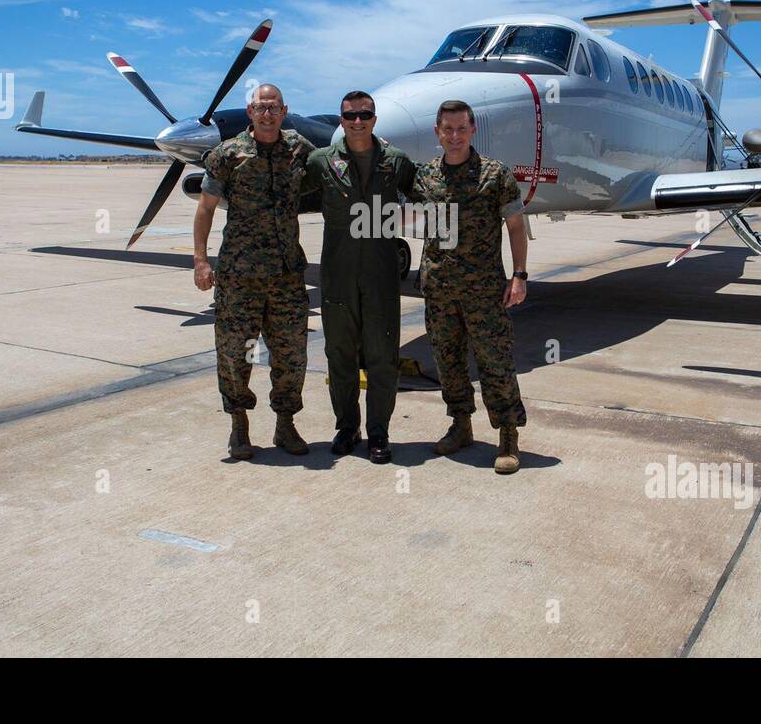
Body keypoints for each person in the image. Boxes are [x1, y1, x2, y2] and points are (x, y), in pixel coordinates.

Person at [194, 83, 314, 460]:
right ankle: (239, 425)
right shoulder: (227, 155)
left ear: (284, 111)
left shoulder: (299, 149)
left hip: (287, 275)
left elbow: (339, 165)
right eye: (260, 107)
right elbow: (206, 208)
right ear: (250, 112)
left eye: (273, 107)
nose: (267, 113)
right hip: (238, 276)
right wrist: (200, 260)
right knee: (235, 354)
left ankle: (285, 425)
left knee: (291, 354)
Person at [412, 99, 529, 474]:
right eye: (448, 129)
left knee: (495, 362)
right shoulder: (425, 176)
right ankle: (461, 425)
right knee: (448, 362)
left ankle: (508, 436)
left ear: (473, 130)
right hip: (439, 288)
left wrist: (520, 275)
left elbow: (515, 226)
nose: (455, 135)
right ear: (437, 132)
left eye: (462, 128)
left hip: (483, 290)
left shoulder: (494, 175)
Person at [301, 90, 417, 464]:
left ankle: (379, 433)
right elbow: (282, 193)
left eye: (364, 114)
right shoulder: (321, 161)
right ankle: (346, 428)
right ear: (341, 120)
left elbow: (431, 200)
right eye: (349, 116)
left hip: (382, 276)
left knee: (383, 357)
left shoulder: (396, 161)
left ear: (374, 119)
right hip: (337, 275)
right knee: (340, 356)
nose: (357, 121)